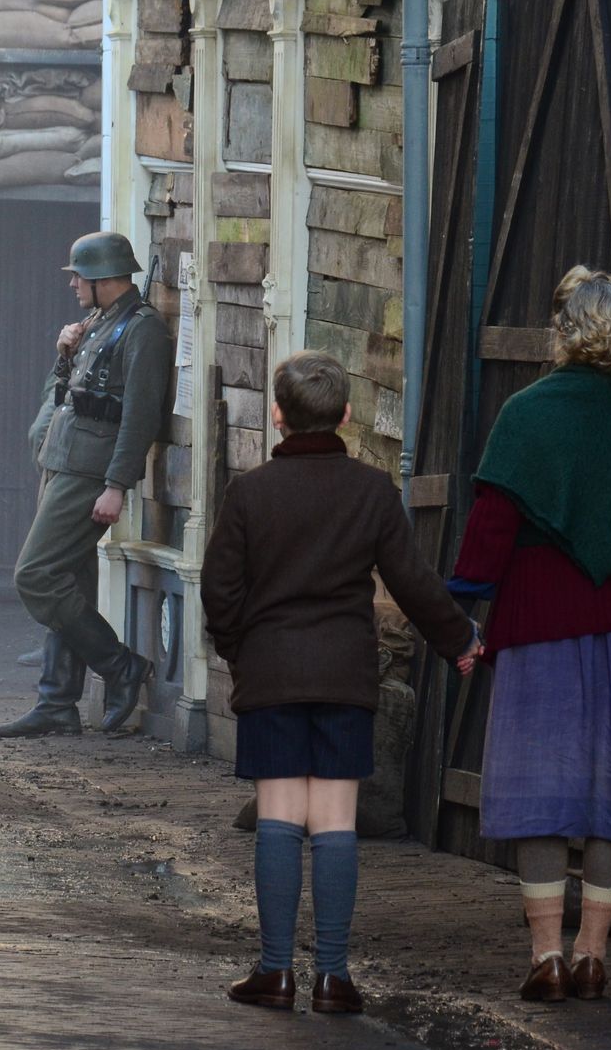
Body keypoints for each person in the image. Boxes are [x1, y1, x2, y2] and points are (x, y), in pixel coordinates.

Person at [201, 351, 482, 1015]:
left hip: (272, 677)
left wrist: (245, 656)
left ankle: (275, 973)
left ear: (277, 414)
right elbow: (413, 583)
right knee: (334, 823)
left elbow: (219, 595)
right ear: (348, 416)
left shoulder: (250, 494)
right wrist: (460, 640)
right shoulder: (371, 492)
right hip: (344, 678)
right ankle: (333, 977)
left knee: (278, 819)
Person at [447, 266, 611, 1004]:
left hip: (539, 628)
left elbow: (488, 538)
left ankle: (545, 957)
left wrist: (457, 609)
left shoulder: (525, 414)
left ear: (561, 330)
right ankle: (593, 955)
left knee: (541, 793)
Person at [0, 231, 174, 740]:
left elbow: (139, 418)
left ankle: (120, 666)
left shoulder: (142, 331)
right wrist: (63, 352)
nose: (73, 283)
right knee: (66, 580)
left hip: (89, 472)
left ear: (102, 279)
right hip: (63, 460)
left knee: (36, 576)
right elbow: (71, 394)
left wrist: (116, 484)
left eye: (79, 275)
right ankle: (56, 702)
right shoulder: (99, 324)